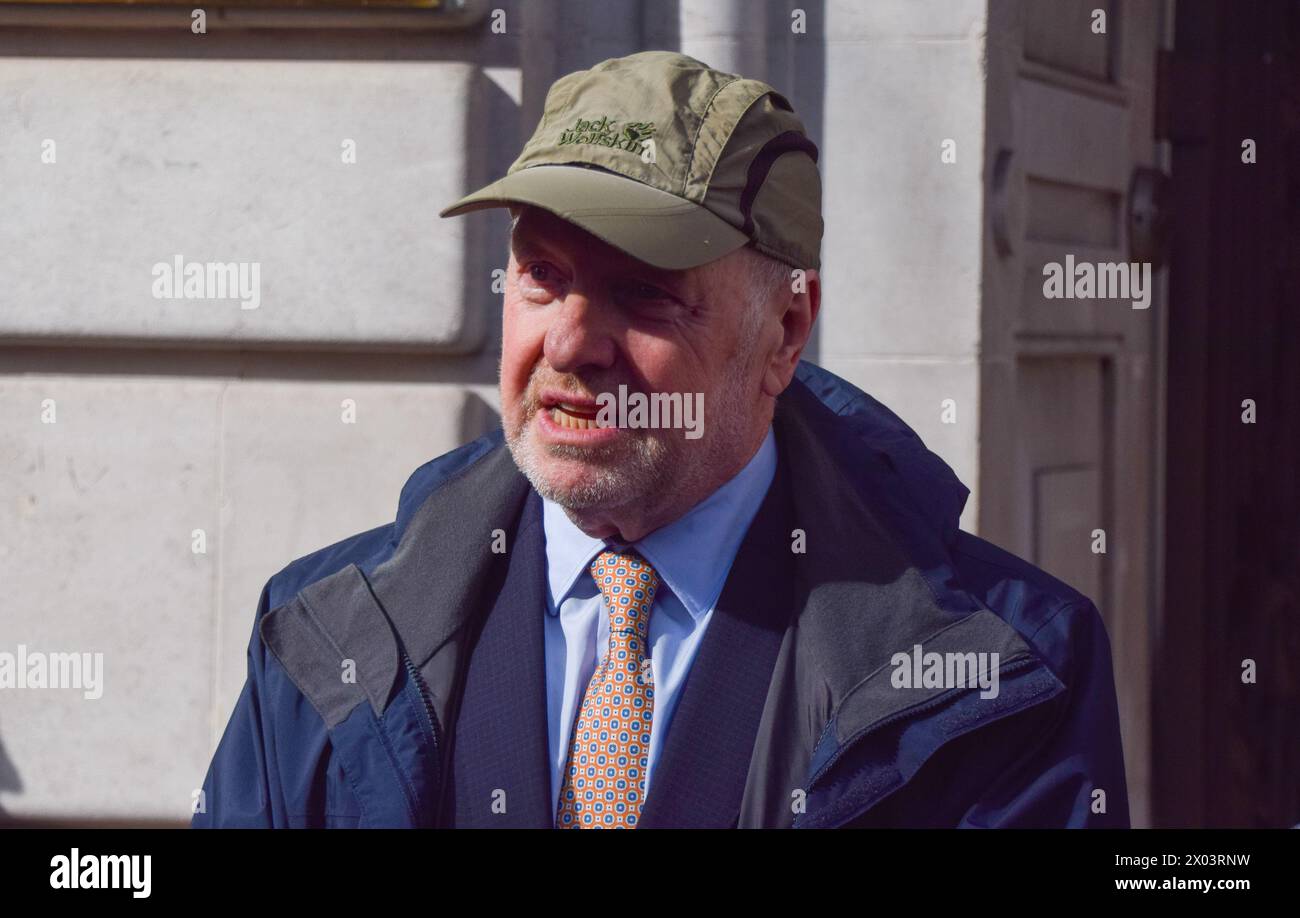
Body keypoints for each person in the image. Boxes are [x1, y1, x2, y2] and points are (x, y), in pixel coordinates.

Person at [192, 50, 1129, 829]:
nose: (568, 344)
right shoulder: (327, 641)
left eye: (644, 292)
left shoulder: (1004, 672)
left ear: (786, 332)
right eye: (542, 275)